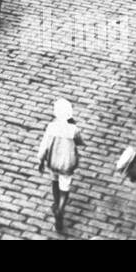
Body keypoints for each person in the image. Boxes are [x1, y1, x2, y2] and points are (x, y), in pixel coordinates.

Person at [36, 98, 84, 233]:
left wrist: (40, 160)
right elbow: (79, 141)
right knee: (65, 188)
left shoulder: (51, 127)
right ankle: (60, 209)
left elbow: (44, 145)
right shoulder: (73, 129)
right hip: (67, 163)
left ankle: (56, 203)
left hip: (53, 161)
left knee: (54, 182)